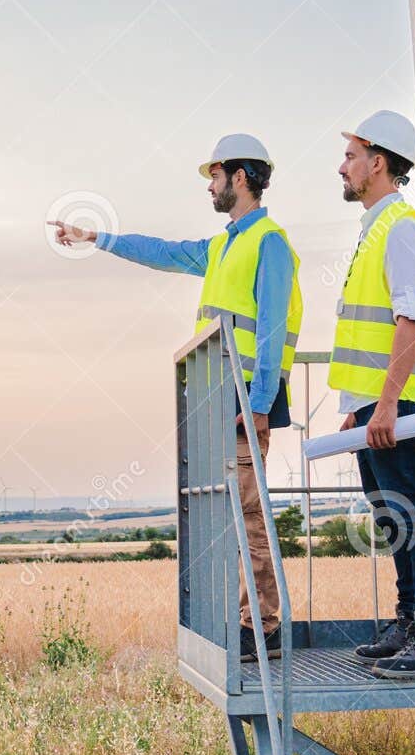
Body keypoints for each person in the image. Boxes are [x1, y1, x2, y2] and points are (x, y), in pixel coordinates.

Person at [52, 134, 302, 661]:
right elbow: (162, 252)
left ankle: (265, 627)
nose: (209, 187)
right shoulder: (222, 246)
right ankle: (244, 622)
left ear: (238, 178)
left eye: (214, 176)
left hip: (243, 401)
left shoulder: (270, 242)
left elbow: (273, 328)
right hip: (215, 397)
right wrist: (96, 237)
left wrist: (258, 407)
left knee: (248, 512)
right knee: (224, 513)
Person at [330, 111, 415, 680]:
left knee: (414, 510)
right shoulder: (376, 228)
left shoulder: (401, 226)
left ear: (378, 163)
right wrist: (360, 405)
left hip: (399, 402)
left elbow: (412, 320)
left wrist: (385, 403)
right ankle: (410, 620)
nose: (343, 166)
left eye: (352, 156)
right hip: (376, 403)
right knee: (392, 513)